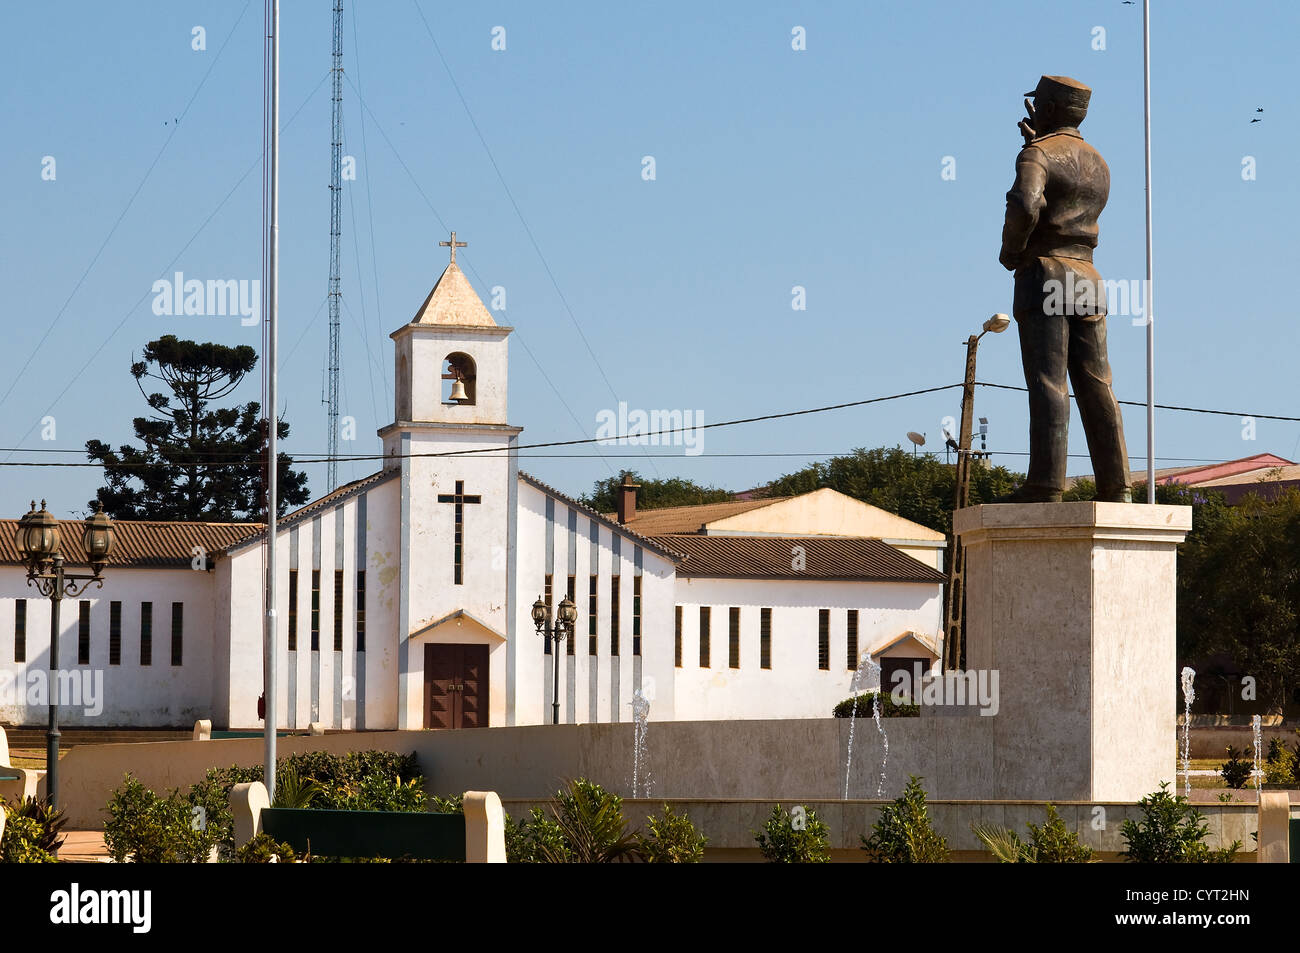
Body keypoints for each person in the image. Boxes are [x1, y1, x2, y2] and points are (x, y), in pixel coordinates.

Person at [999, 75, 1131, 503]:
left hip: (1046, 271)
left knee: (1049, 382)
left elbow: (1025, 203)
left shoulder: (1037, 154)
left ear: (1051, 107)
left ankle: (1045, 485)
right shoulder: (1099, 161)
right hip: (1088, 275)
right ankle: (1119, 487)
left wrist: (1012, 249)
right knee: (1097, 383)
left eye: (1038, 102)